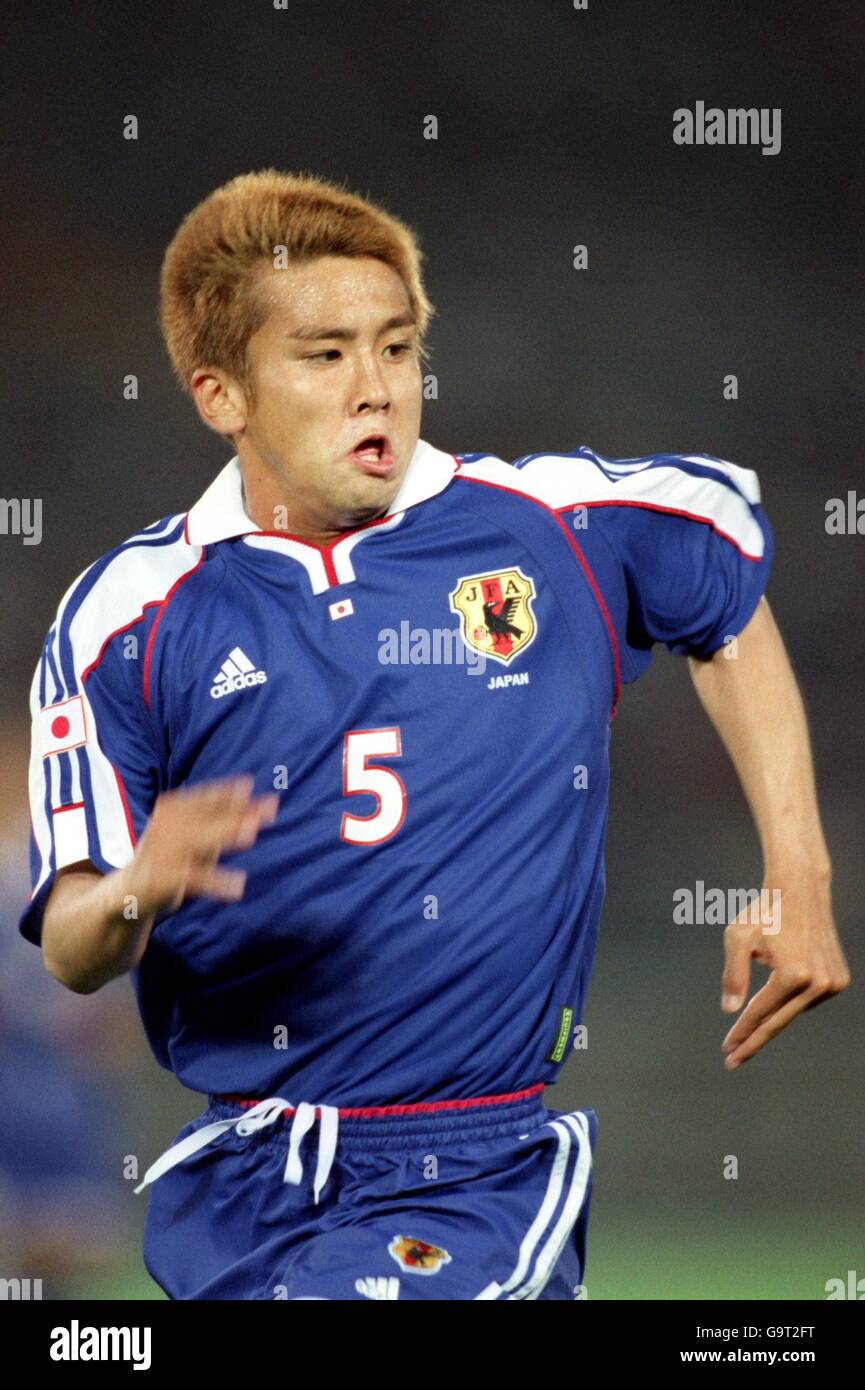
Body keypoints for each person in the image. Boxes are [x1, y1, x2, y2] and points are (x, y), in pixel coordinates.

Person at [18, 169, 849, 1301]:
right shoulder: (125, 618)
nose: (376, 389)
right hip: (243, 1182)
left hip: (470, 1175)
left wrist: (795, 866)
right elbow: (71, 946)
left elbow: (722, 585)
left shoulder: (552, 529)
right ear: (222, 394)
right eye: (324, 355)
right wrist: (141, 883)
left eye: (396, 348)